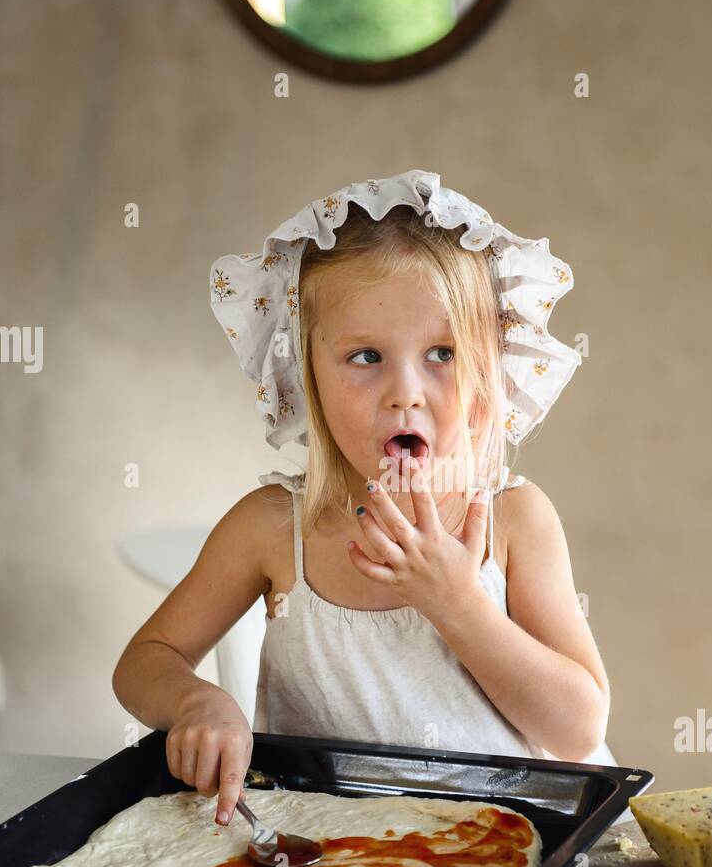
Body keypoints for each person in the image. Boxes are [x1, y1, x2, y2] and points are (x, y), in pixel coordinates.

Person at [112, 170, 613, 826]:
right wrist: (195, 703)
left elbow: (577, 728)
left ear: (489, 369)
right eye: (365, 357)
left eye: (441, 352)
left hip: (503, 846)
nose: (404, 391)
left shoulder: (513, 519)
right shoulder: (271, 528)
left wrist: (459, 604)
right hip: (334, 862)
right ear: (305, 376)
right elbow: (145, 661)